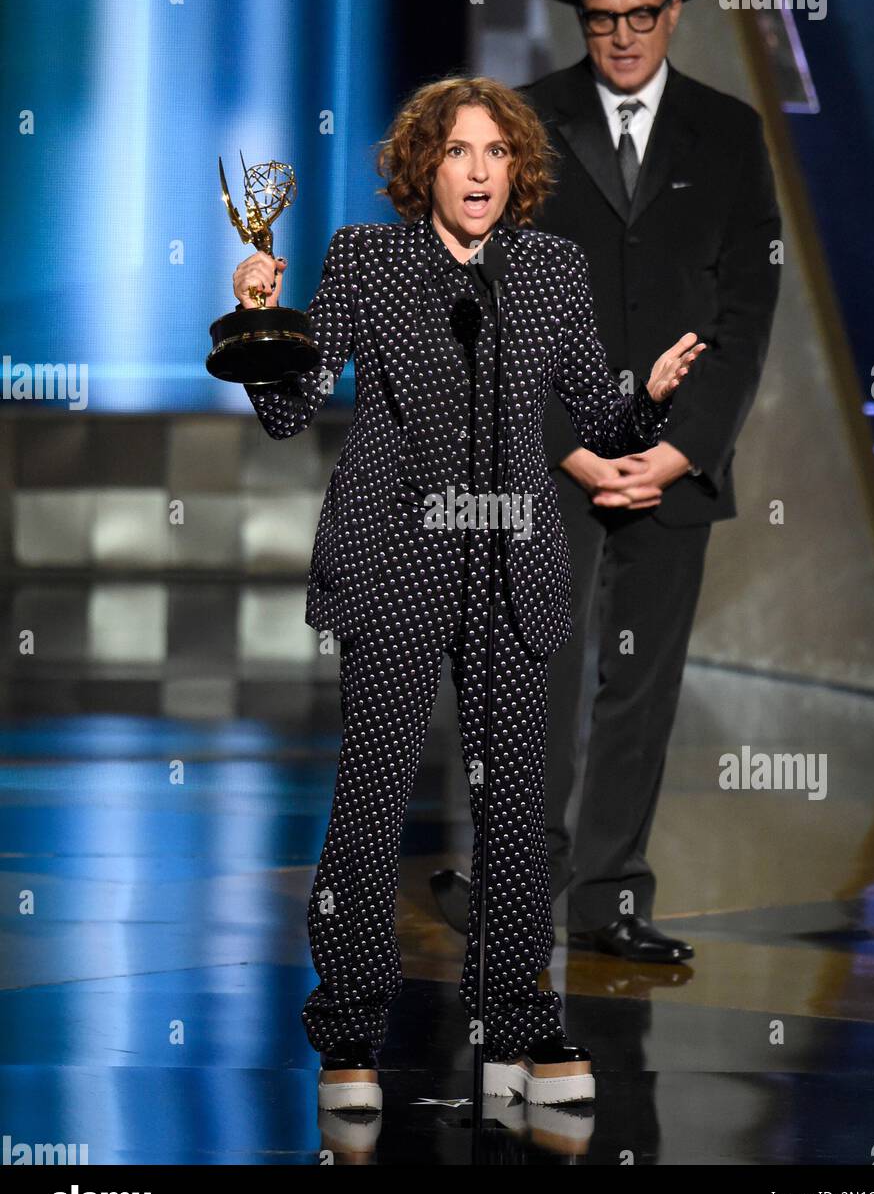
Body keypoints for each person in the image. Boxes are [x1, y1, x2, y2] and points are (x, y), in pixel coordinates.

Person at [233, 76, 704, 1111]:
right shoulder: (367, 256)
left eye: (495, 152)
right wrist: (262, 323)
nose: (480, 171)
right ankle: (348, 1032)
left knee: (515, 811)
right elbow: (292, 409)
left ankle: (518, 1021)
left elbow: (593, 411)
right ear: (424, 168)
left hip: (511, 565)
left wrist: (648, 399)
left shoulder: (547, 269)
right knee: (368, 806)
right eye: (457, 152)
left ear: (516, 169)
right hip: (393, 559)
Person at [432, 0, 781, 964]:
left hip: (674, 454)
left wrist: (682, 447)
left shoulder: (727, 133)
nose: (621, 36)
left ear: (671, 12)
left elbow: (745, 309)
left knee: (641, 681)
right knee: (531, 663)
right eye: (601, 19)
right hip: (552, 455)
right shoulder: (521, 125)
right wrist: (566, 445)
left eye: (639, 15)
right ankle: (512, 886)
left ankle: (608, 899)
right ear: (579, 19)